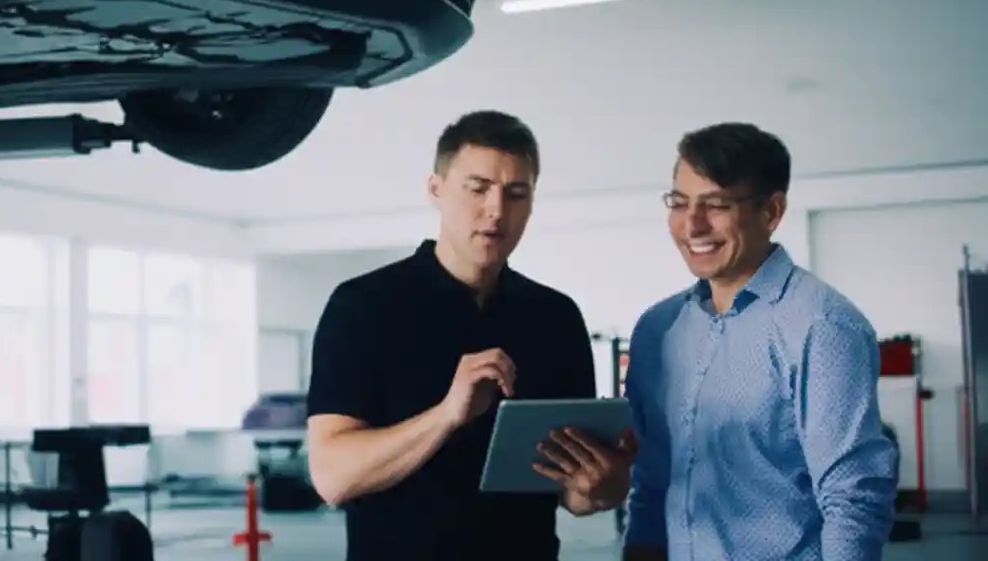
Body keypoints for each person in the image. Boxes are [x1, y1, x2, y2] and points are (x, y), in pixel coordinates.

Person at [305, 110, 635, 561]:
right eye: (477, 188)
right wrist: (446, 415)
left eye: (516, 193)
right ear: (436, 190)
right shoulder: (363, 306)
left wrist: (605, 487)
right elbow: (333, 478)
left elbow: (571, 496)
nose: (497, 210)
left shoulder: (555, 316)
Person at [622, 122, 899, 561]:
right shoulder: (658, 329)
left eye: (715, 205)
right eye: (679, 202)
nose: (691, 225)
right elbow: (652, 483)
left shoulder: (822, 326)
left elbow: (854, 500)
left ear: (771, 212)